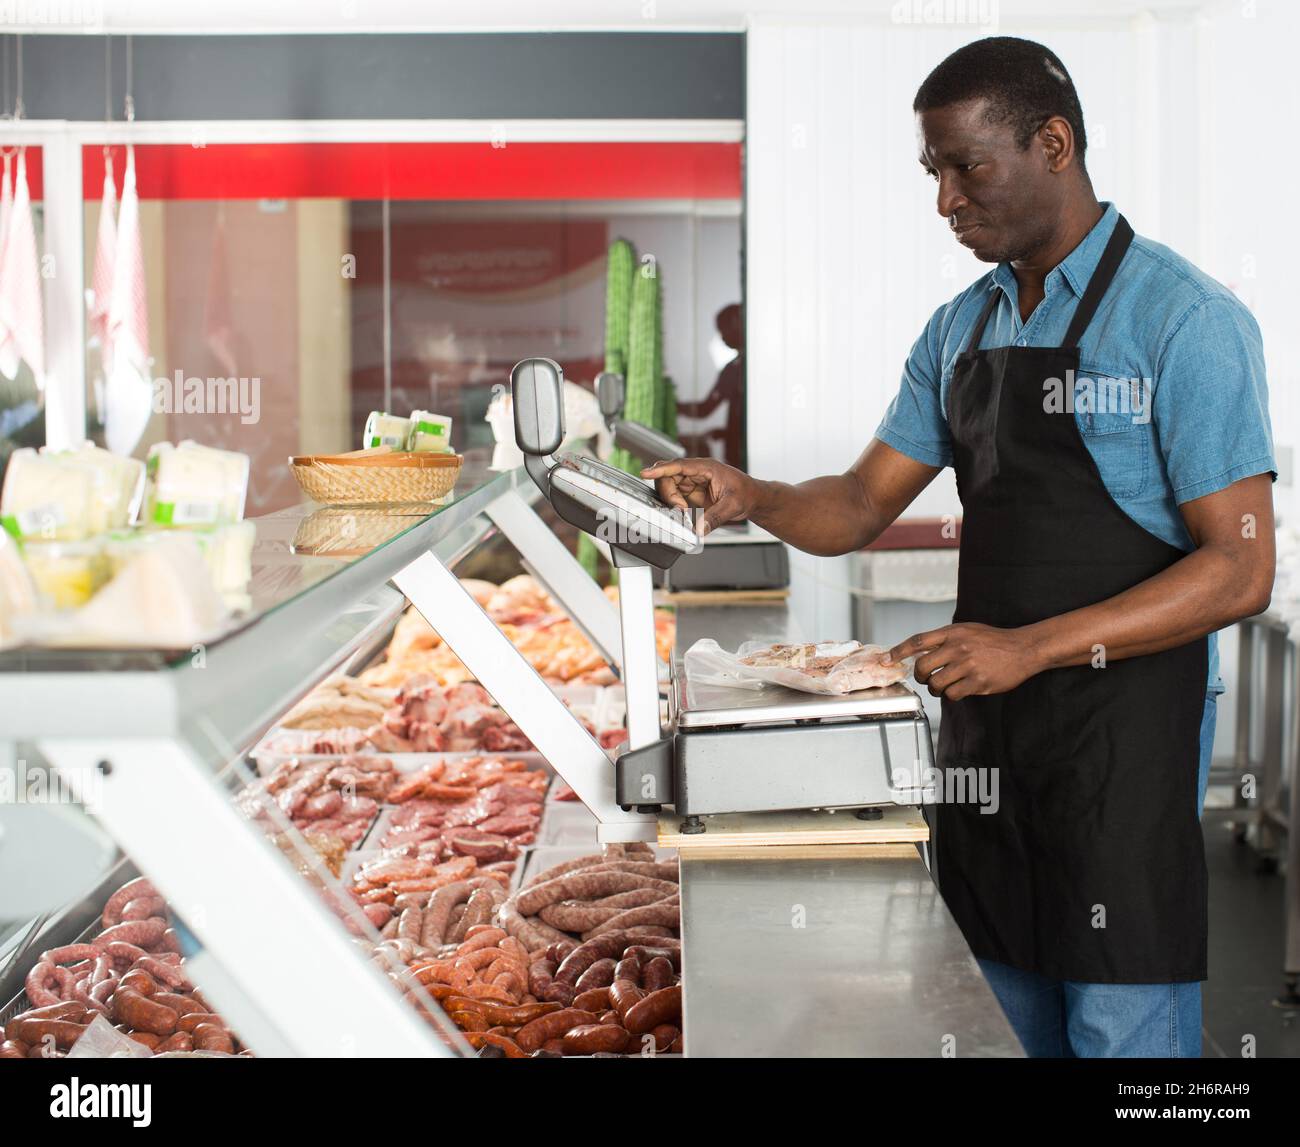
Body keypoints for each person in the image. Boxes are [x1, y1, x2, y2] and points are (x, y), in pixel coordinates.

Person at [642, 36, 1276, 1058]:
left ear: (1054, 144)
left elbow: (1240, 569)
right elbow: (854, 504)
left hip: (1122, 742)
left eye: (964, 165)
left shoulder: (1185, 320)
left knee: (1122, 1032)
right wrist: (747, 493)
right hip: (988, 747)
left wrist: (1026, 646)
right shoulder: (960, 329)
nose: (944, 199)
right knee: (993, 1024)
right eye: (931, 171)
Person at [677, 303, 745, 468]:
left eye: (723, 329)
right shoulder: (744, 365)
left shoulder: (735, 368)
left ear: (738, 324)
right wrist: (724, 433)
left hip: (740, 458)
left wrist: (675, 406)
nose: (722, 337)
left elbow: (704, 409)